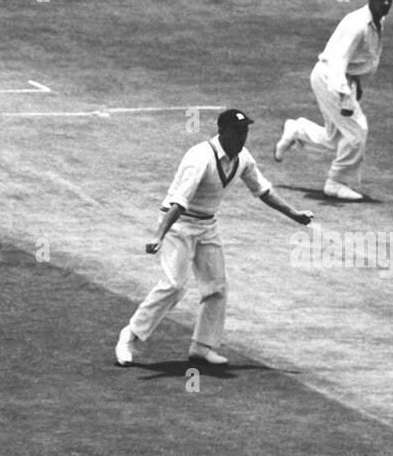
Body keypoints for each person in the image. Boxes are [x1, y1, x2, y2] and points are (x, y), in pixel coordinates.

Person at [116, 109, 314, 366]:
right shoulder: (199, 157)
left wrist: (294, 214)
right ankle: (130, 336)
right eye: (237, 131)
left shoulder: (242, 157)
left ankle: (201, 347)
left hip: (208, 225)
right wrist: (159, 236)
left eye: (245, 131)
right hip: (179, 225)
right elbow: (179, 202)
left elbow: (262, 190)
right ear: (223, 132)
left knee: (216, 288)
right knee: (174, 286)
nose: (243, 137)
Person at [275, 0, 393, 201]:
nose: (386, 3)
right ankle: (335, 182)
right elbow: (337, 62)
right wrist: (345, 97)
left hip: (340, 78)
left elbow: (356, 59)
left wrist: (356, 82)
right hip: (330, 78)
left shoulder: (378, 21)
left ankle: (297, 131)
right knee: (358, 130)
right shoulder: (357, 25)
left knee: (335, 138)